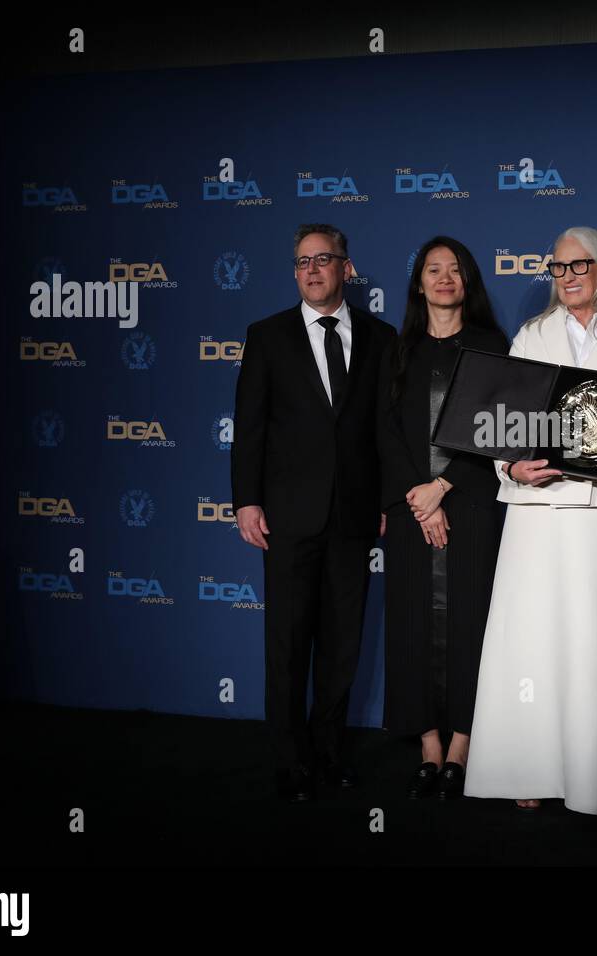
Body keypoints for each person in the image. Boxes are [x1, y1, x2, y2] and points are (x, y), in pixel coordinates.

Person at [463, 225, 597, 815]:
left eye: (580, 266)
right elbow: (505, 419)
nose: (569, 277)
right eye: (558, 268)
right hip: (539, 512)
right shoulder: (531, 334)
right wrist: (511, 467)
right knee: (533, 642)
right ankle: (530, 767)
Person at [231, 223, 397, 802]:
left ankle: (328, 754)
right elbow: (249, 428)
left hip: (353, 516)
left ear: (346, 268)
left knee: (341, 643)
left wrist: (384, 501)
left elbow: (385, 430)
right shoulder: (268, 335)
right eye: (302, 262)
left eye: (323, 260)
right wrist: (246, 501)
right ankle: (290, 759)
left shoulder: (381, 337)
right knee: (288, 641)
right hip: (287, 516)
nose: (311, 270)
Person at [376, 236, 509, 800]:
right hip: (409, 511)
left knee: (471, 623)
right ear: (419, 282)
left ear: (467, 281)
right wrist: (417, 495)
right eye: (433, 269)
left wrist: (443, 487)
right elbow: (382, 432)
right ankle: (428, 744)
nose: (444, 278)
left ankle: (462, 744)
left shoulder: (490, 346)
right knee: (410, 624)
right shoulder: (395, 349)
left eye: (454, 270)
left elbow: (500, 426)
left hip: (471, 503)